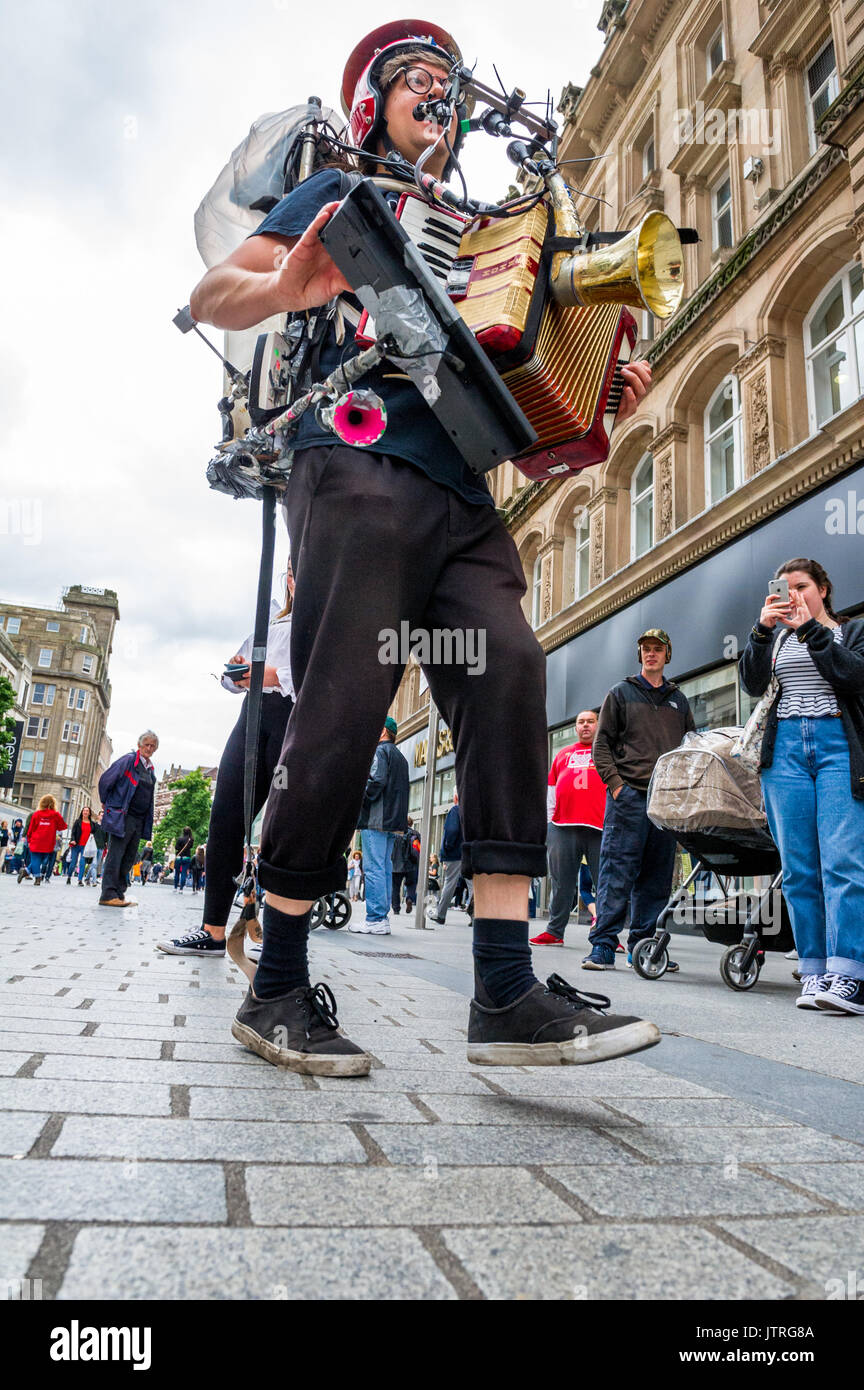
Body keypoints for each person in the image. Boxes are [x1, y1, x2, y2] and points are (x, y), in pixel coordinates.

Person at [189, 19, 658, 1075]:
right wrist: (285, 287)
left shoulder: (498, 232)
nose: (440, 100)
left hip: (462, 490)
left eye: (450, 85)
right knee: (346, 704)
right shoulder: (342, 198)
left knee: (507, 673)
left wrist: (596, 413)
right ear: (375, 106)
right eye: (417, 83)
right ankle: (275, 987)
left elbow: (529, 432)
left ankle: (503, 992)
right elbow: (213, 294)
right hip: (354, 464)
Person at [740, 558, 864, 1015]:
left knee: (843, 862)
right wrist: (759, 630)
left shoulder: (851, 632)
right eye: (785, 587)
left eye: (803, 586)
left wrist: (811, 628)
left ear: (824, 589)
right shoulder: (774, 639)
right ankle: (813, 971)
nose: (793, 595)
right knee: (798, 869)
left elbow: (853, 676)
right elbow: (752, 684)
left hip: (837, 747)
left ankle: (848, 974)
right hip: (786, 751)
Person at [157, 574, 294, 958]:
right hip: (253, 715)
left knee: (285, 821)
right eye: (291, 569)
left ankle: (284, 939)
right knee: (225, 815)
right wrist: (238, 672)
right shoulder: (270, 619)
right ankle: (213, 930)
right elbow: (233, 680)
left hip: (293, 716)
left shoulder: (324, 617)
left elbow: (327, 674)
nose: (295, 576)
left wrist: (272, 675)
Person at [584, 630, 695, 970]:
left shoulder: (679, 700)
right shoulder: (621, 693)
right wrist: (617, 786)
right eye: (646, 650)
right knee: (616, 872)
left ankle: (645, 948)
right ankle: (603, 945)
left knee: (656, 878)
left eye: (657, 650)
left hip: (665, 802)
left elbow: (691, 744)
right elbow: (601, 745)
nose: (651, 654)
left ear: (667, 654)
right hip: (629, 797)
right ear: (640, 655)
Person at [532, 710, 606, 947]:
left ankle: (607, 936)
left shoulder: (607, 752)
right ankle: (554, 932)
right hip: (563, 827)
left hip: (600, 828)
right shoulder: (562, 754)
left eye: (590, 722)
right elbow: (551, 792)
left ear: (598, 725)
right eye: (581, 722)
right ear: (575, 727)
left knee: (605, 883)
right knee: (561, 883)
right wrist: (548, 824)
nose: (585, 726)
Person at [352, 717, 409, 935]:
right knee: (384, 867)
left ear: (383, 731)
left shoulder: (379, 752)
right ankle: (381, 918)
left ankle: (375, 918)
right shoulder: (400, 757)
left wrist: (360, 798)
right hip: (392, 821)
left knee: (374, 868)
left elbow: (376, 781)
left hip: (376, 818)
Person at [98, 731, 159, 907]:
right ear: (139, 745)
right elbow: (106, 780)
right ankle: (108, 894)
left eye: (152, 746)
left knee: (129, 857)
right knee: (116, 855)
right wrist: (106, 802)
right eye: (146, 744)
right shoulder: (128, 761)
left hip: (138, 820)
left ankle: (119, 893)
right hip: (123, 816)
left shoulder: (150, 769)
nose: (149, 748)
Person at [428, 792, 463, 923]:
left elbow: (452, 831)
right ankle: (476, 917)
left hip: (454, 854)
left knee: (450, 883)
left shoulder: (456, 810)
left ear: (455, 797)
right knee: (472, 885)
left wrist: (447, 847)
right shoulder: (472, 811)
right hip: (468, 852)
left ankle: (441, 914)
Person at [22, 795, 67, 884]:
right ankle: (36, 876)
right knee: (42, 859)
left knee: (35, 859)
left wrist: (29, 840)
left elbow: (31, 829)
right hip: (48, 842)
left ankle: (29, 872)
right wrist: (53, 825)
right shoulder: (55, 815)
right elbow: (63, 826)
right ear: (53, 804)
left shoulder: (36, 814)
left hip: (36, 840)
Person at [390, 816, 417, 914]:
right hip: (411, 864)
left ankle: (396, 908)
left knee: (395, 887)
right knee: (411, 884)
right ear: (411, 824)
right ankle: (409, 899)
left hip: (396, 865)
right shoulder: (415, 834)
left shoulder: (395, 834)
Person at [66, 805, 94, 884]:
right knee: (73, 862)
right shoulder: (78, 821)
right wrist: (73, 840)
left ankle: (80, 880)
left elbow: (93, 834)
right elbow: (73, 833)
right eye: (84, 810)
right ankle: (69, 876)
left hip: (85, 847)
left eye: (87, 811)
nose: (85, 812)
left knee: (82, 863)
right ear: (82, 812)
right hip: (76, 845)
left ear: (89, 813)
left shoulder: (92, 824)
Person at [173, 828, 195, 892]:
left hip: (179, 857)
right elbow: (190, 847)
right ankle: (181, 889)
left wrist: (180, 848)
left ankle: (175, 887)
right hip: (186, 857)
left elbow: (176, 847)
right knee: (184, 873)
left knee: (177, 873)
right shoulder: (191, 840)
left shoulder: (180, 839)